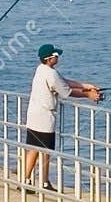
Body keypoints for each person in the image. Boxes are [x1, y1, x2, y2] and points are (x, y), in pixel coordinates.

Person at [22, 44, 102, 190]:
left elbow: (64, 81)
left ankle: (26, 181)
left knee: (33, 148)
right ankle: (44, 182)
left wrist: (87, 85)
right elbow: (67, 91)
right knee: (46, 150)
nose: (58, 58)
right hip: (45, 117)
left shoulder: (42, 70)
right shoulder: (51, 74)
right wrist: (88, 95)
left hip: (33, 115)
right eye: (56, 56)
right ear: (49, 58)